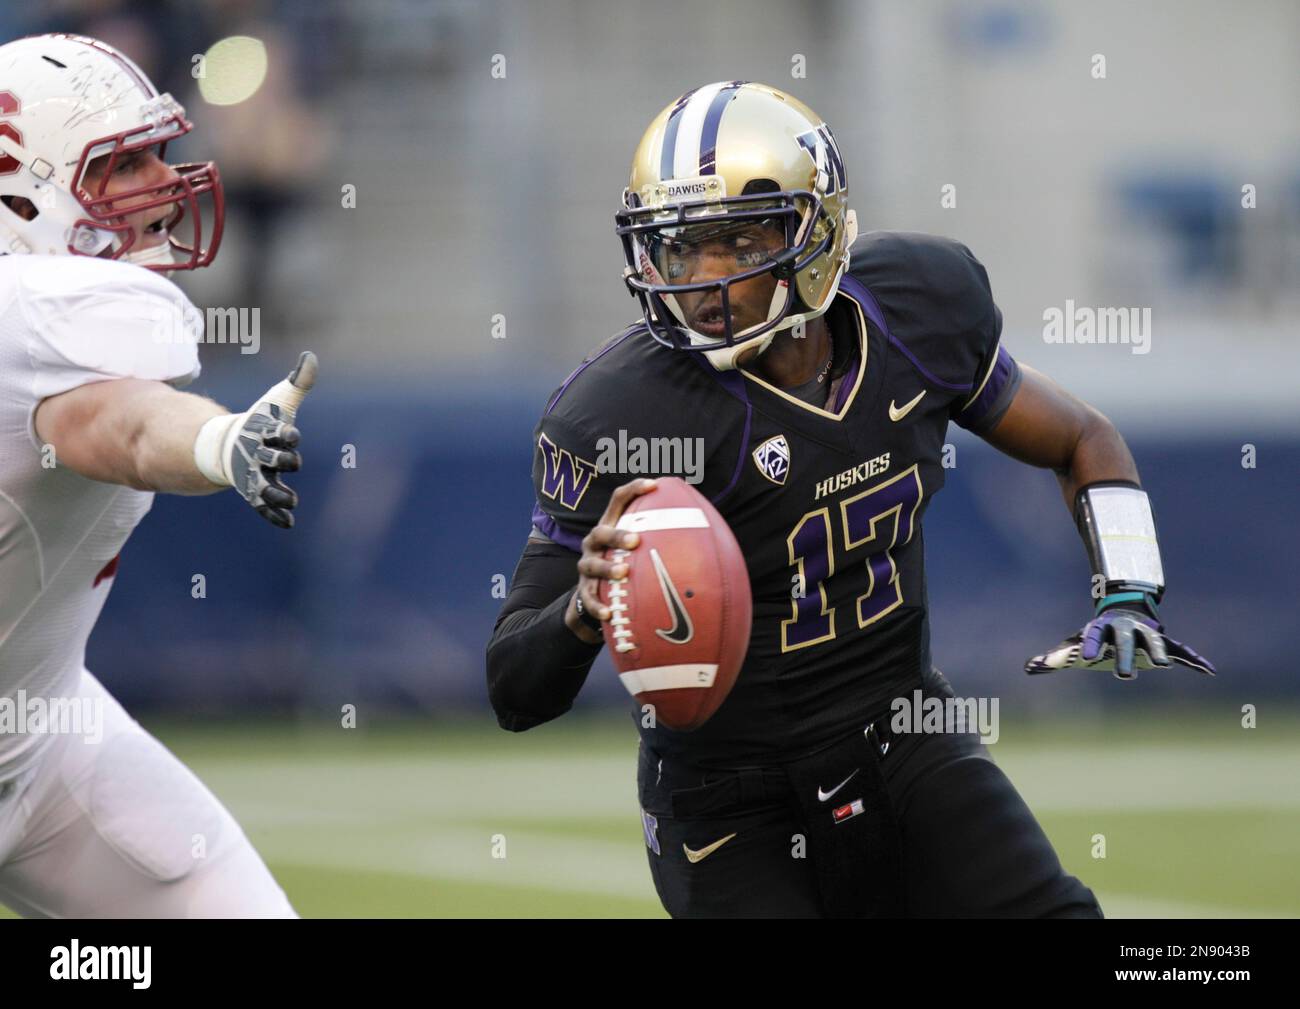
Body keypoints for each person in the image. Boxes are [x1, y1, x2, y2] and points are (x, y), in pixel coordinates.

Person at [486, 82, 1217, 918]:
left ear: (816, 231)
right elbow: (515, 688)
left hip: (902, 732)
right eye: (680, 248)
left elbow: (1082, 437)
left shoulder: (916, 310)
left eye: (737, 240)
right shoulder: (620, 414)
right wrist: (582, 609)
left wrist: (1127, 584)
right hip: (729, 801)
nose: (704, 279)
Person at [0, 33, 313, 917]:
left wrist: (220, 439)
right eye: (119, 165)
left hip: (43, 739)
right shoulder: (23, 311)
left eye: (153, 155)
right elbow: (118, 426)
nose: (159, 185)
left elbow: (125, 408)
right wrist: (217, 446)